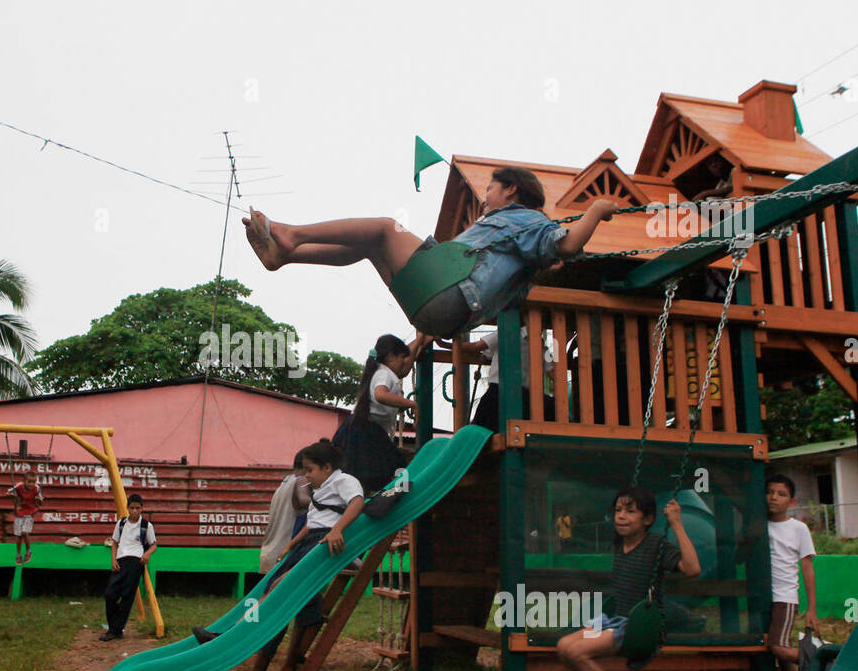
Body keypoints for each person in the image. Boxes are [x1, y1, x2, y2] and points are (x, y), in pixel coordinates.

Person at [243, 166, 619, 338]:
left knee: (386, 227)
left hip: (447, 294)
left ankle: (292, 233)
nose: (485, 196)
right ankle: (285, 256)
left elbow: (567, 244)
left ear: (511, 191)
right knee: (371, 247)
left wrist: (596, 213)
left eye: (491, 188)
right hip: (435, 315)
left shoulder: (526, 220)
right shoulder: (524, 242)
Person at [193, 438, 364, 671]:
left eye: (309, 469)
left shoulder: (344, 481)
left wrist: (337, 530)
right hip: (307, 544)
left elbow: (357, 503)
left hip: (322, 547)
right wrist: (291, 544)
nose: (305, 475)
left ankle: (231, 635)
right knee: (296, 606)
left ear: (327, 466)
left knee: (278, 593)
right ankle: (275, 666)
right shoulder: (320, 489)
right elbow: (312, 522)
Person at [556, 486, 701, 671]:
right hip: (614, 623)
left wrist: (676, 523)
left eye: (630, 511)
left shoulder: (655, 545)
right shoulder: (620, 543)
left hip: (639, 628)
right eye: (618, 510)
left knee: (578, 652)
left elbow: (692, 569)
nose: (621, 516)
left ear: (647, 519)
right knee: (564, 646)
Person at [333, 334, 425, 493]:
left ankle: (374, 502)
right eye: (402, 357)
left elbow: (403, 369)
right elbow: (380, 395)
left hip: (359, 429)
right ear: (390, 357)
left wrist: (419, 342)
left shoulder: (381, 370)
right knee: (397, 470)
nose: (405, 362)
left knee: (363, 476)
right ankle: (390, 505)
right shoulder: (384, 374)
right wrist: (412, 404)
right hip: (366, 432)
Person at [765, 474, 818, 671]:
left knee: (777, 647)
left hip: (784, 597)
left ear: (792, 502)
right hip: (762, 595)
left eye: (781, 494)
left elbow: (807, 568)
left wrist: (812, 610)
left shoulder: (798, 529)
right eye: (769, 492)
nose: (773, 498)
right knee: (779, 648)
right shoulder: (758, 526)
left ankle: (827, 662)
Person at [466, 327, 556, 430]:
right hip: (514, 396)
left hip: (505, 394)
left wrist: (451, 345)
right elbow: (553, 373)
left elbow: (477, 347)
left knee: (482, 428)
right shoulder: (541, 347)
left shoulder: (507, 333)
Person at [102, 494, 157, 641]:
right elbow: (114, 542)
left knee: (127, 596)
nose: (134, 511)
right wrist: (113, 560)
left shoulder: (146, 526)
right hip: (120, 561)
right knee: (110, 594)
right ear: (127, 508)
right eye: (132, 508)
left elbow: (154, 544)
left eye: (137, 508)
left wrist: (147, 555)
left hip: (135, 562)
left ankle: (116, 630)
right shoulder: (121, 524)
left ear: (142, 509)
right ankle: (113, 626)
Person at [260, 448, 313, 574]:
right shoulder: (302, 480)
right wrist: (327, 504)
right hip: (287, 553)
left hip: (271, 551)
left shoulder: (285, 482)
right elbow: (303, 499)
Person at [7, 472, 44, 565]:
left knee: (25, 532)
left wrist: (39, 500)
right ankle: (18, 554)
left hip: (30, 512)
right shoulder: (19, 486)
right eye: (29, 481)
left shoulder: (37, 489)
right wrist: (12, 495)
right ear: (24, 481)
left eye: (34, 482)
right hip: (19, 512)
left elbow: (40, 502)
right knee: (19, 536)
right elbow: (8, 492)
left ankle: (28, 551)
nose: (31, 484)